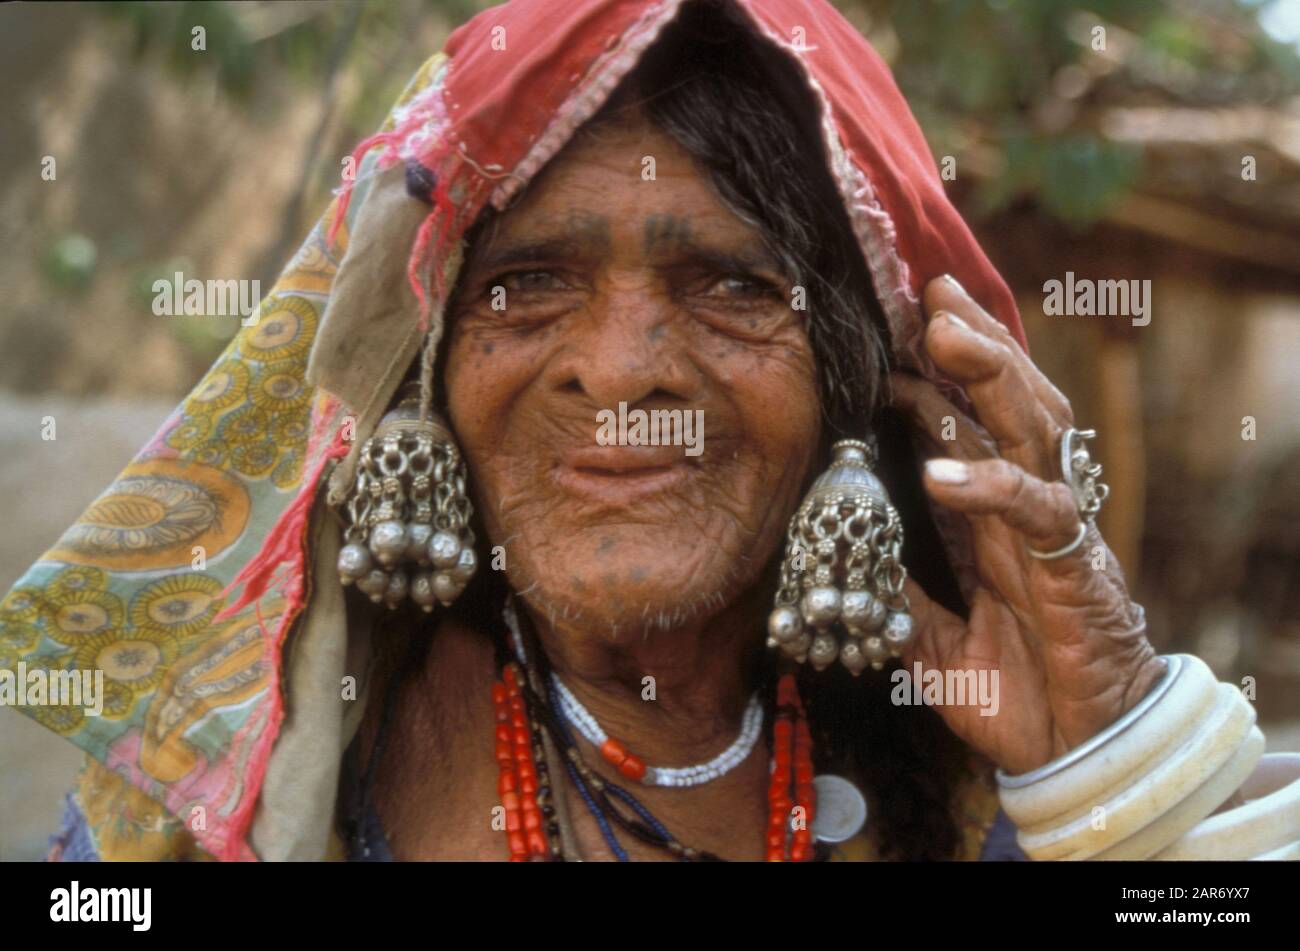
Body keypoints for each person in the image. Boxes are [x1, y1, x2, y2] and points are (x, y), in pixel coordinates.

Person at [9, 0, 1297, 862]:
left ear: (863, 381)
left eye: (736, 287)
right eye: (527, 285)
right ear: (427, 363)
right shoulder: (247, 783)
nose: (619, 372)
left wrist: (1123, 757)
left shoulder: (981, 770)